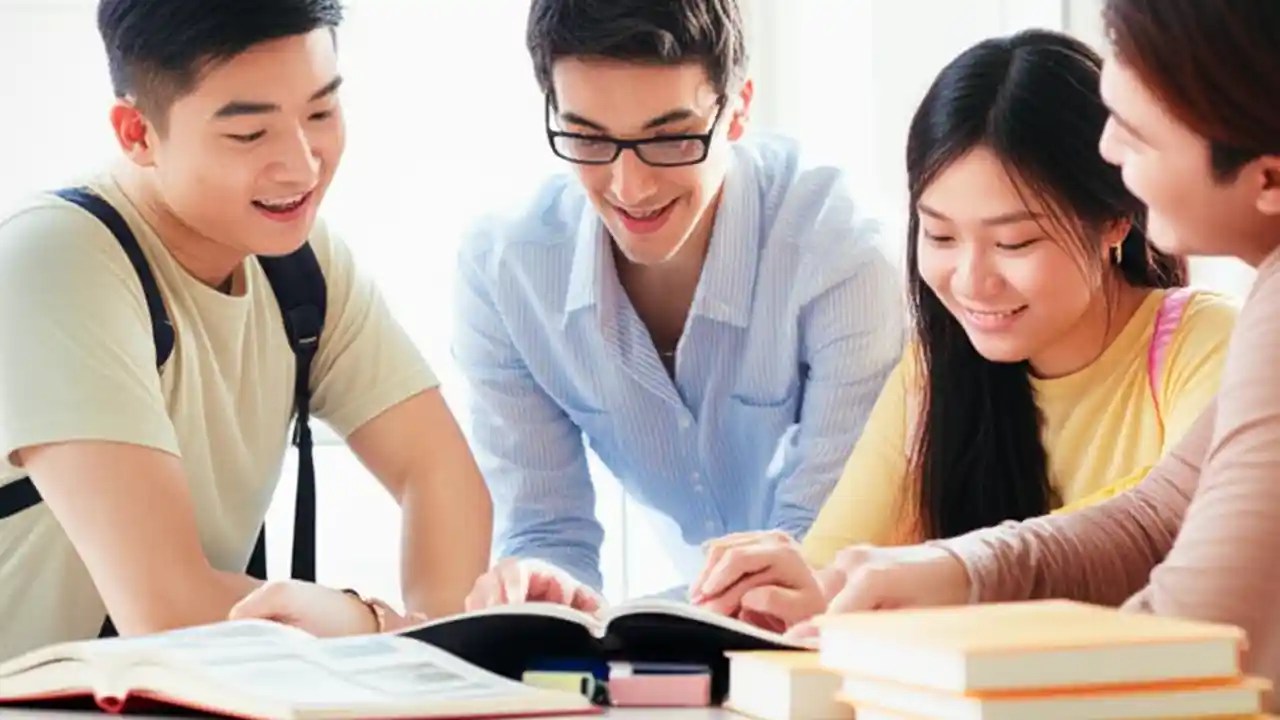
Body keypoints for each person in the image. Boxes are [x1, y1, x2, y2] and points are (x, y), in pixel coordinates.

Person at [704, 0, 1280, 704]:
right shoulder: (935, 371)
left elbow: (1191, 630)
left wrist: (945, 623)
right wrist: (948, 572)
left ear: (1269, 178)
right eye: (940, 234)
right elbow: (1154, 517)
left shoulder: (1225, 334)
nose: (1109, 150)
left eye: (1140, 134)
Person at [0, 0, 491, 660]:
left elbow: (440, 476)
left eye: (321, 112)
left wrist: (435, 659)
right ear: (137, 133)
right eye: (250, 134)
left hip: (156, 694)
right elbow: (165, 610)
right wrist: (369, 623)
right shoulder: (53, 260)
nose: (302, 166)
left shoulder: (301, 267)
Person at [448, 0, 903, 611]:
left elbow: (820, 552)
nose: (630, 187)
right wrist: (543, 591)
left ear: (738, 108)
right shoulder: (506, 274)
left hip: (866, 626)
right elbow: (546, 533)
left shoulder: (842, 253)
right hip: (706, 628)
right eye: (588, 138)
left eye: (669, 138)